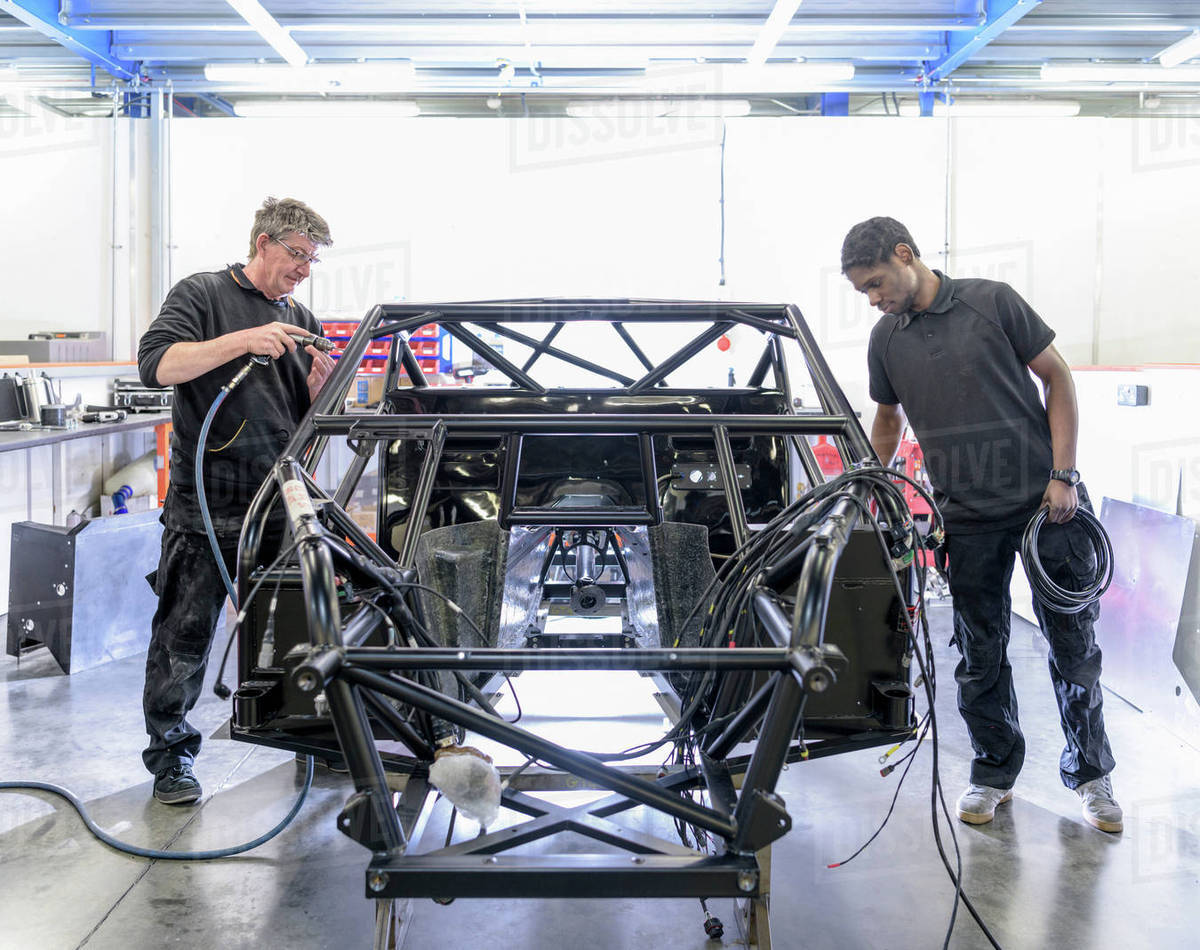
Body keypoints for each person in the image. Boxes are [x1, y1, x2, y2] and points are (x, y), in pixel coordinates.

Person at [840, 216, 1122, 833]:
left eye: (876, 283)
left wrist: (1064, 474)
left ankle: (1094, 777)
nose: (873, 299)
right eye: (863, 291)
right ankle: (994, 773)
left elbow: (1059, 378)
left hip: (1046, 504)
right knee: (979, 654)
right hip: (964, 516)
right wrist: (866, 481)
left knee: (1074, 648)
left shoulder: (992, 302)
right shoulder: (886, 338)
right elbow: (887, 420)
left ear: (905, 255)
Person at [136, 197, 336, 805]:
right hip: (208, 502)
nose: (304, 269)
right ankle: (172, 757)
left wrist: (322, 389)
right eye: (297, 254)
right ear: (263, 243)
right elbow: (157, 365)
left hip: (282, 499)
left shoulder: (301, 314)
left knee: (302, 629)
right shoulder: (202, 295)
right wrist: (246, 339)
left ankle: (306, 737)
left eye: (313, 260)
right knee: (184, 636)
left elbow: (303, 414)